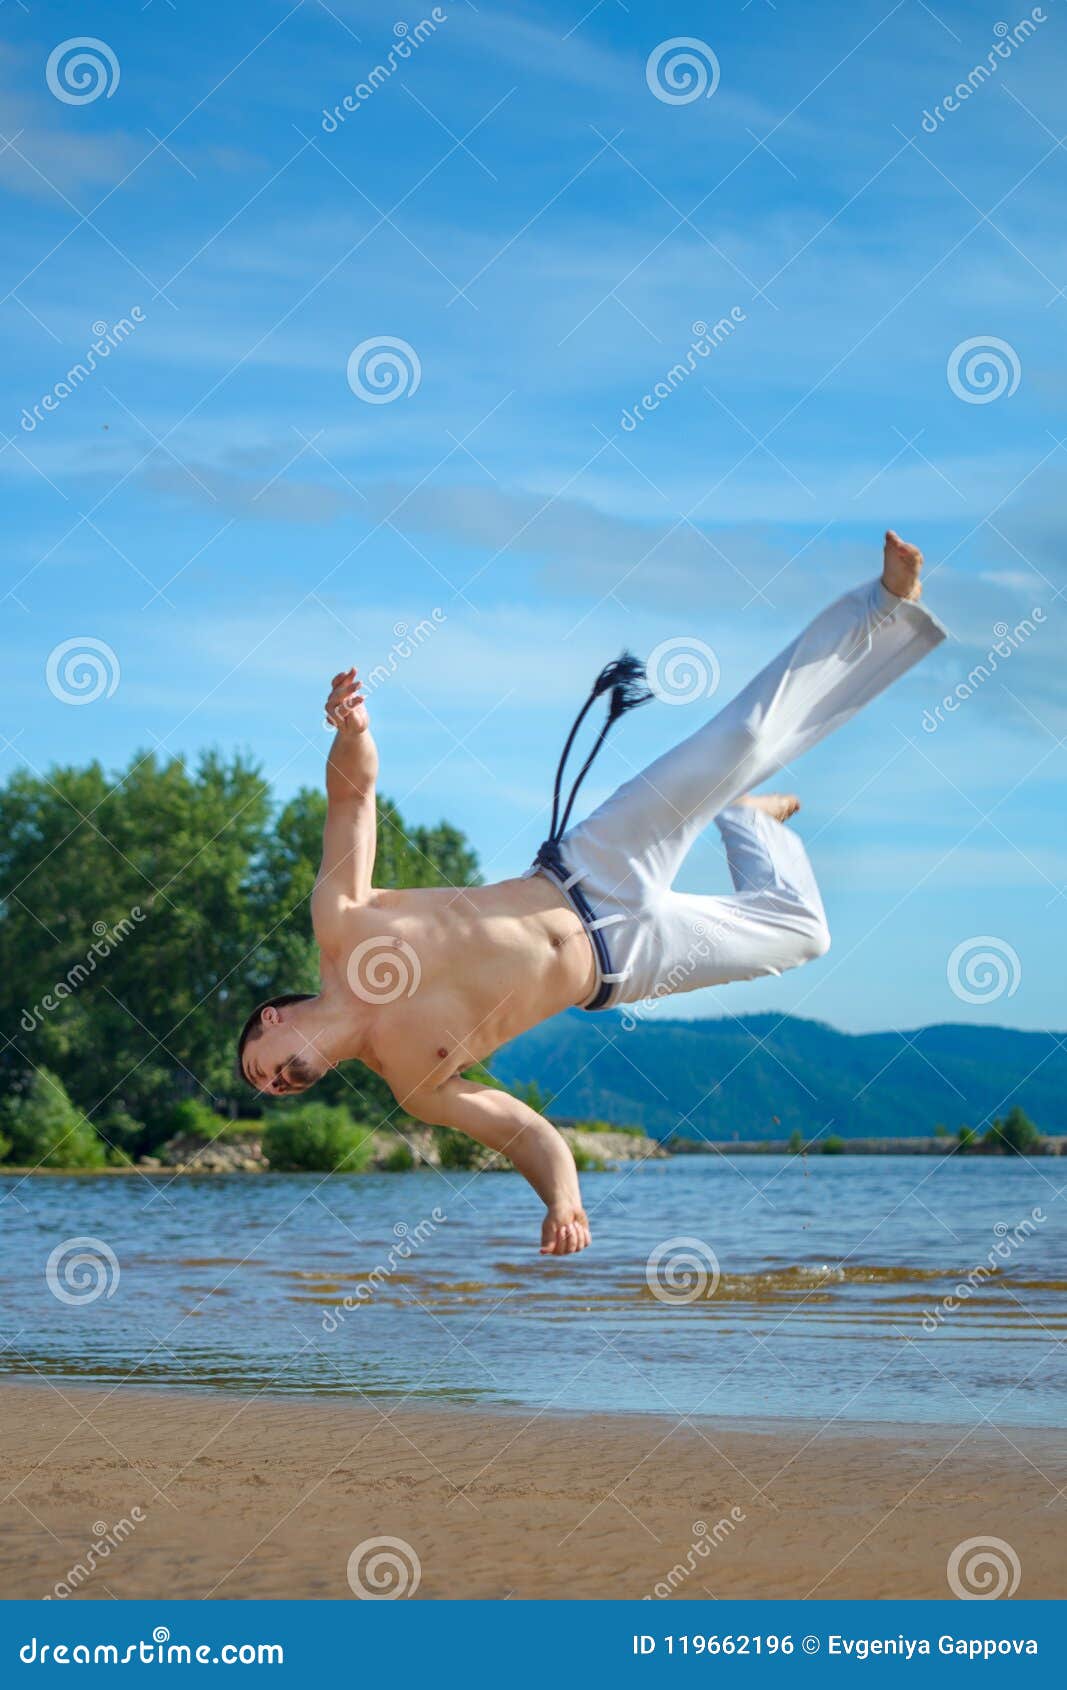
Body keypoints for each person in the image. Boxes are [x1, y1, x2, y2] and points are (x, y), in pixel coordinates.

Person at [237, 532, 946, 1256]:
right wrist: (563, 1201)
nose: (276, 1086)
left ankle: (883, 606)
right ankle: (747, 825)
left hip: (592, 866)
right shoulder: (414, 1085)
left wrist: (351, 730)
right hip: (628, 961)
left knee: (743, 740)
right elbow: (524, 1132)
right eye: (271, 1092)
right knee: (803, 933)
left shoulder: (343, 924)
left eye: (263, 1068)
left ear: (273, 1018)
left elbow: (350, 802)